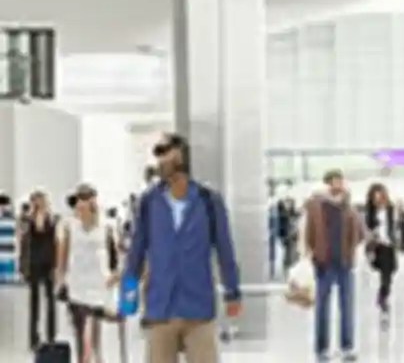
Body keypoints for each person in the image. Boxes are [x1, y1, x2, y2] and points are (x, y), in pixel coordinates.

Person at [124, 133, 242, 363]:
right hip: (161, 308)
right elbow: (136, 253)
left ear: (181, 156)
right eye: (157, 156)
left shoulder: (208, 201)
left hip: (198, 307)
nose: (159, 161)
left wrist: (232, 291)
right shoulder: (149, 202)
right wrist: (127, 299)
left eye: (164, 153)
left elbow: (225, 249)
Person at [302, 170, 365, 361]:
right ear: (327, 184)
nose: (337, 184)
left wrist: (352, 246)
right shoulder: (315, 207)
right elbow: (309, 234)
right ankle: (321, 347)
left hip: (345, 263)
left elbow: (360, 232)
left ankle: (347, 346)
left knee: (347, 307)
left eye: (340, 181)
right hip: (324, 263)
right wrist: (312, 253)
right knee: (322, 307)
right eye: (333, 181)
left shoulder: (349, 206)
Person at [57, 184, 120, 363]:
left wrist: (116, 275)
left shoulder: (107, 226)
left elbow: (115, 253)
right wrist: (60, 279)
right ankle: (86, 359)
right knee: (83, 331)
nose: (83, 204)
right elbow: (63, 252)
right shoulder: (68, 225)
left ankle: (95, 358)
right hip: (77, 285)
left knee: (93, 332)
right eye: (80, 199)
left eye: (87, 199)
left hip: (99, 285)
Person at [20, 189, 59, 351]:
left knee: (51, 301)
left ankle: (51, 336)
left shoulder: (53, 220)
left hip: (49, 263)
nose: (39, 204)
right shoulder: (27, 221)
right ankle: (33, 338)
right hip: (34, 264)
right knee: (34, 302)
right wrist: (22, 266)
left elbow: (57, 242)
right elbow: (23, 244)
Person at [365, 183, 398, 316]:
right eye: (376, 196)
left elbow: (393, 225)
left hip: (389, 244)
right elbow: (369, 228)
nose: (379, 199)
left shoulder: (390, 208)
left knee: (392, 269)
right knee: (385, 273)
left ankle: (383, 294)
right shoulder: (371, 212)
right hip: (379, 245)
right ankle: (382, 297)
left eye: (381, 195)